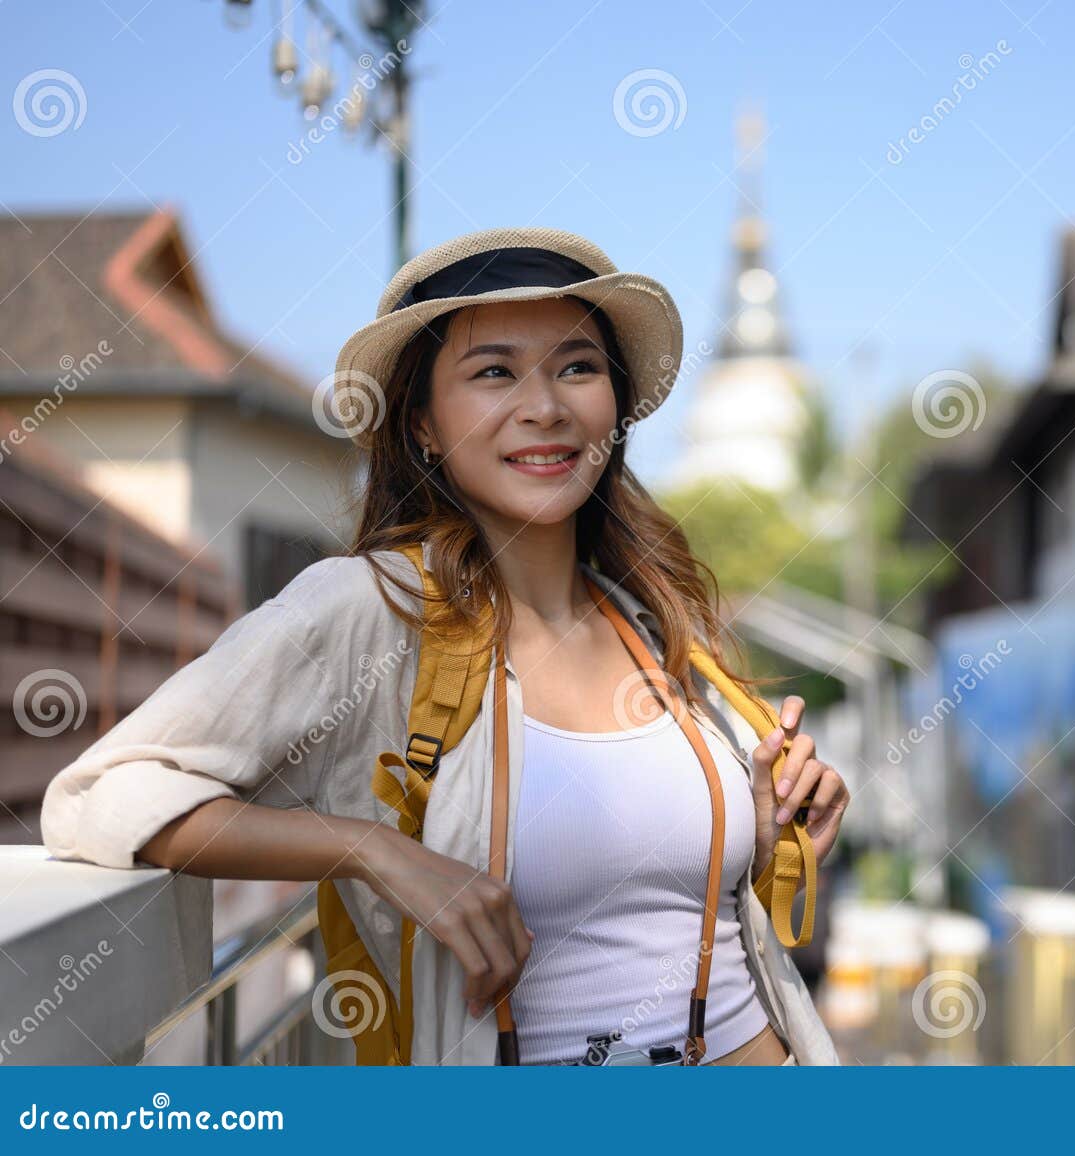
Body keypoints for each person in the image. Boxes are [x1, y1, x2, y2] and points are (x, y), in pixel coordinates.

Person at [41, 228, 846, 1066]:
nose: (546, 406)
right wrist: (369, 849)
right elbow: (104, 791)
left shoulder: (650, 618)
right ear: (423, 425)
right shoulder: (369, 609)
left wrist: (760, 828)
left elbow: (664, 920)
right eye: (494, 372)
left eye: (577, 366)